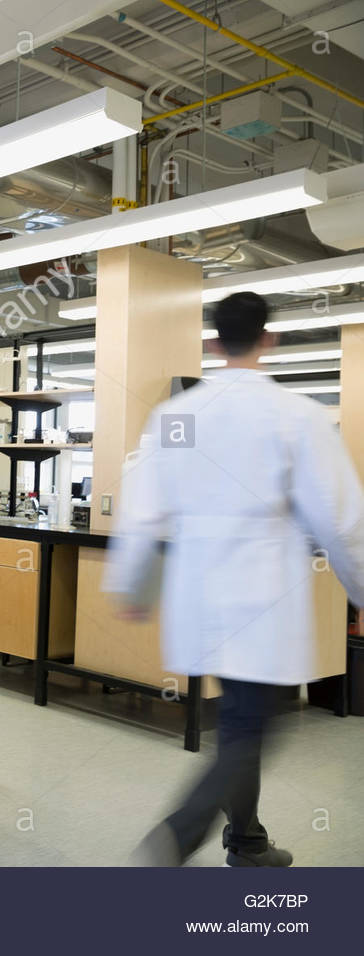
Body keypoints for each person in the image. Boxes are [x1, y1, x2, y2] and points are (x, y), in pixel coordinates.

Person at [106, 291, 364, 867]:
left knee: (240, 721)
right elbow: (343, 520)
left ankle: (247, 841)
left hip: (200, 601)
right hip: (263, 603)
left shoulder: (178, 417)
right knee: (254, 727)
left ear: (213, 344)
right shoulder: (295, 415)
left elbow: (144, 508)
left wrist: (130, 585)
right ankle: (176, 837)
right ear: (268, 339)